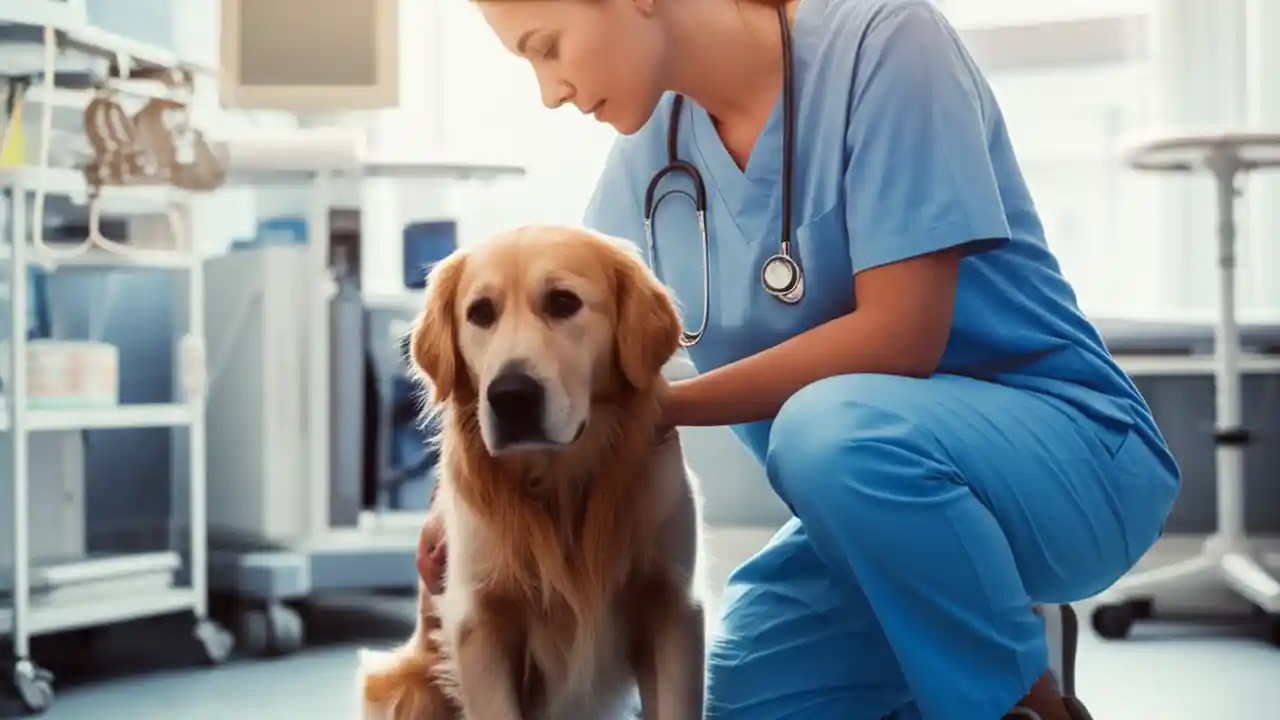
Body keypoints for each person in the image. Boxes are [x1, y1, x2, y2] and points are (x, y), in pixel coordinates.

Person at [416, 0, 1182, 718]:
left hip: (1072, 462)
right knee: (722, 702)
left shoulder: (885, 41)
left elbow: (899, 337)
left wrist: (664, 409)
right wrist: (460, 500)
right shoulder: (652, 152)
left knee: (826, 427)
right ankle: (966, 625)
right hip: (862, 524)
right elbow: (562, 363)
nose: (548, 92)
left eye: (545, 48)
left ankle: (1022, 699)